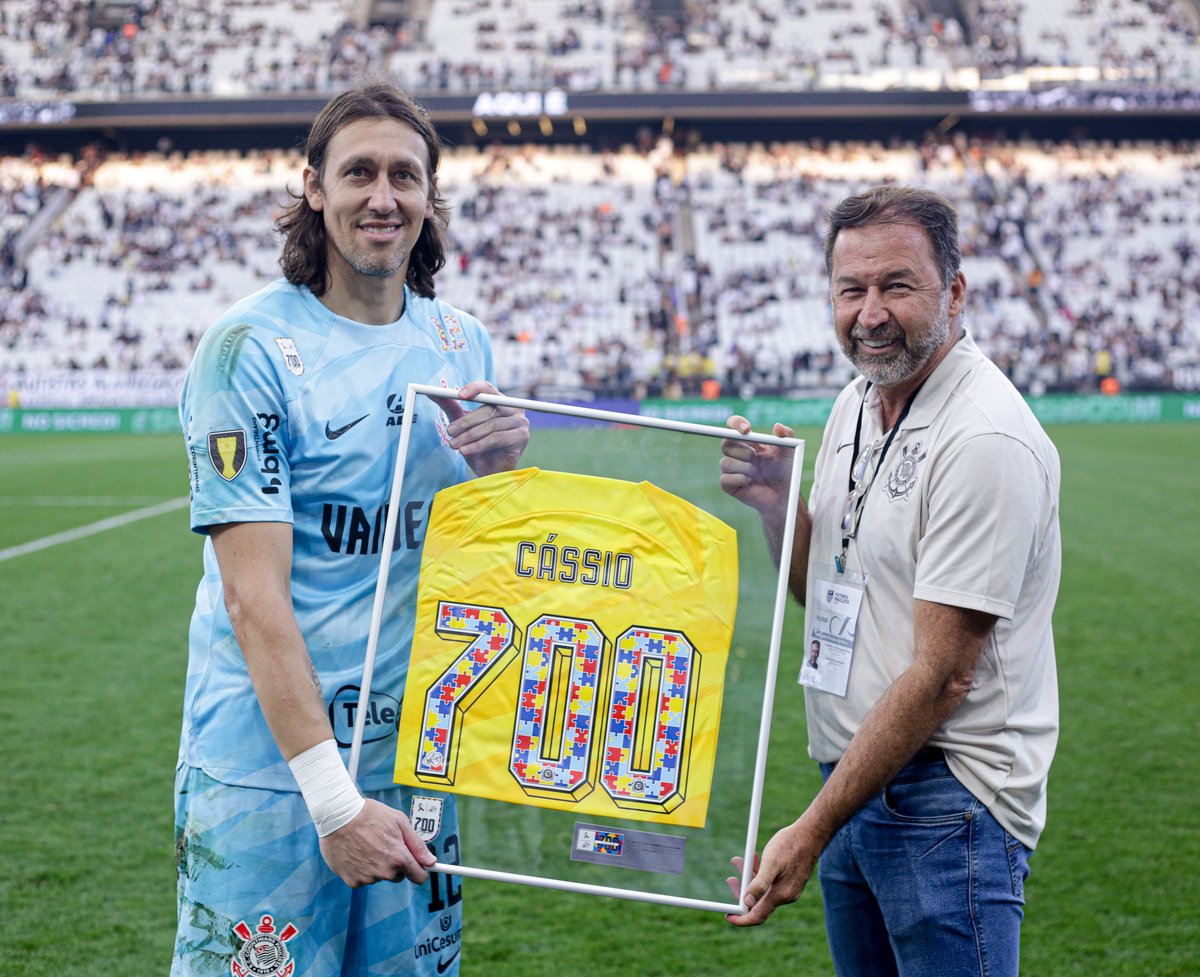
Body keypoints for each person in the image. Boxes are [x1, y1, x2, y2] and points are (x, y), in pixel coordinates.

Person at [173, 83, 529, 977]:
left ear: (429, 196)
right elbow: (255, 601)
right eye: (358, 172)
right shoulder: (246, 349)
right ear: (314, 188)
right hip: (274, 775)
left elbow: (478, 555)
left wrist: (502, 471)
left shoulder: (462, 341)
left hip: (416, 761)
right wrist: (333, 802)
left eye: (405, 175)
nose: (383, 195)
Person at [719, 185, 1060, 977]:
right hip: (855, 779)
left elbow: (944, 675)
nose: (869, 312)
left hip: (946, 803)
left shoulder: (984, 437)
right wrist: (778, 507)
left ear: (954, 291)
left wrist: (810, 828)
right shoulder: (857, 402)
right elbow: (822, 591)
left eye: (896, 286)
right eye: (851, 289)